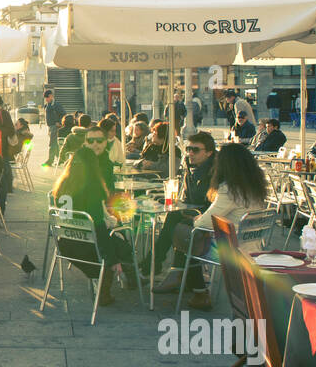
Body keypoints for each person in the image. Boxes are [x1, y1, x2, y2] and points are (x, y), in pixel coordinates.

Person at [159, 143, 269, 310]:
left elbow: (205, 222)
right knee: (188, 231)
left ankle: (197, 290)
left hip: (231, 248)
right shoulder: (253, 186)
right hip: (252, 243)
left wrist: (197, 219)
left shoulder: (230, 188)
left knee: (186, 233)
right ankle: (184, 279)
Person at [51, 146, 135, 306]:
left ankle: (114, 273)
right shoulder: (93, 187)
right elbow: (98, 226)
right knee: (121, 238)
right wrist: (112, 259)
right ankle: (116, 273)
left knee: (115, 236)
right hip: (88, 245)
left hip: (65, 243)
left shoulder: (62, 185)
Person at [146, 131, 216, 279]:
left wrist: (185, 209)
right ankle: (161, 266)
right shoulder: (191, 168)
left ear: (209, 153)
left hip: (208, 220)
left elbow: (208, 203)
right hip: (192, 212)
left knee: (175, 222)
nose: (190, 153)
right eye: (188, 149)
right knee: (174, 218)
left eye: (195, 150)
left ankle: (155, 264)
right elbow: (187, 198)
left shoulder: (214, 171)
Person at [43, 89, 65, 167]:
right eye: (45, 98)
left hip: (55, 127)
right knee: (55, 144)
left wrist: (59, 122)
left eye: (47, 97)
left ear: (51, 96)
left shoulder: (57, 105)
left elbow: (63, 114)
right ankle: (61, 159)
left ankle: (50, 160)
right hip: (50, 127)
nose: (46, 99)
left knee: (52, 144)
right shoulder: (47, 105)